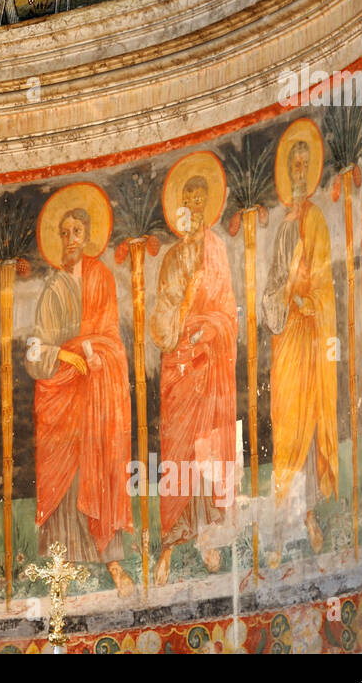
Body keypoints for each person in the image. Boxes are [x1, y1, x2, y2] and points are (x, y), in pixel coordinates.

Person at [28, 193, 135, 596]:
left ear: (89, 236)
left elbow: (110, 337)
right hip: (62, 393)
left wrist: (95, 354)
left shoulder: (101, 278)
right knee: (64, 479)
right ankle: (61, 569)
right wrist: (69, 357)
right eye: (64, 233)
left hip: (96, 393)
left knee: (100, 468)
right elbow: (37, 348)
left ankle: (112, 564)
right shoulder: (53, 288)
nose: (71, 238)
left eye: (77, 232)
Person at [151, 162, 238, 583]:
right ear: (179, 209)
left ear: (209, 207)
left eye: (201, 201)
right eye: (187, 202)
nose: (194, 209)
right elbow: (161, 323)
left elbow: (228, 313)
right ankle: (169, 543)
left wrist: (211, 329)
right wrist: (184, 312)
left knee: (208, 449)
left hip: (211, 364)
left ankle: (208, 535)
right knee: (178, 451)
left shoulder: (217, 250)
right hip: (179, 367)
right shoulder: (171, 259)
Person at [263, 126, 337, 560]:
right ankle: (281, 520)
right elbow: (274, 283)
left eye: (304, 166)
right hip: (287, 337)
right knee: (287, 420)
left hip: (311, 336)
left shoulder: (316, 220)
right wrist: (282, 301)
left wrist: (310, 299)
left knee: (307, 421)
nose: (298, 172)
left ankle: (306, 514)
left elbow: (326, 279)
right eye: (293, 165)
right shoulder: (281, 228)